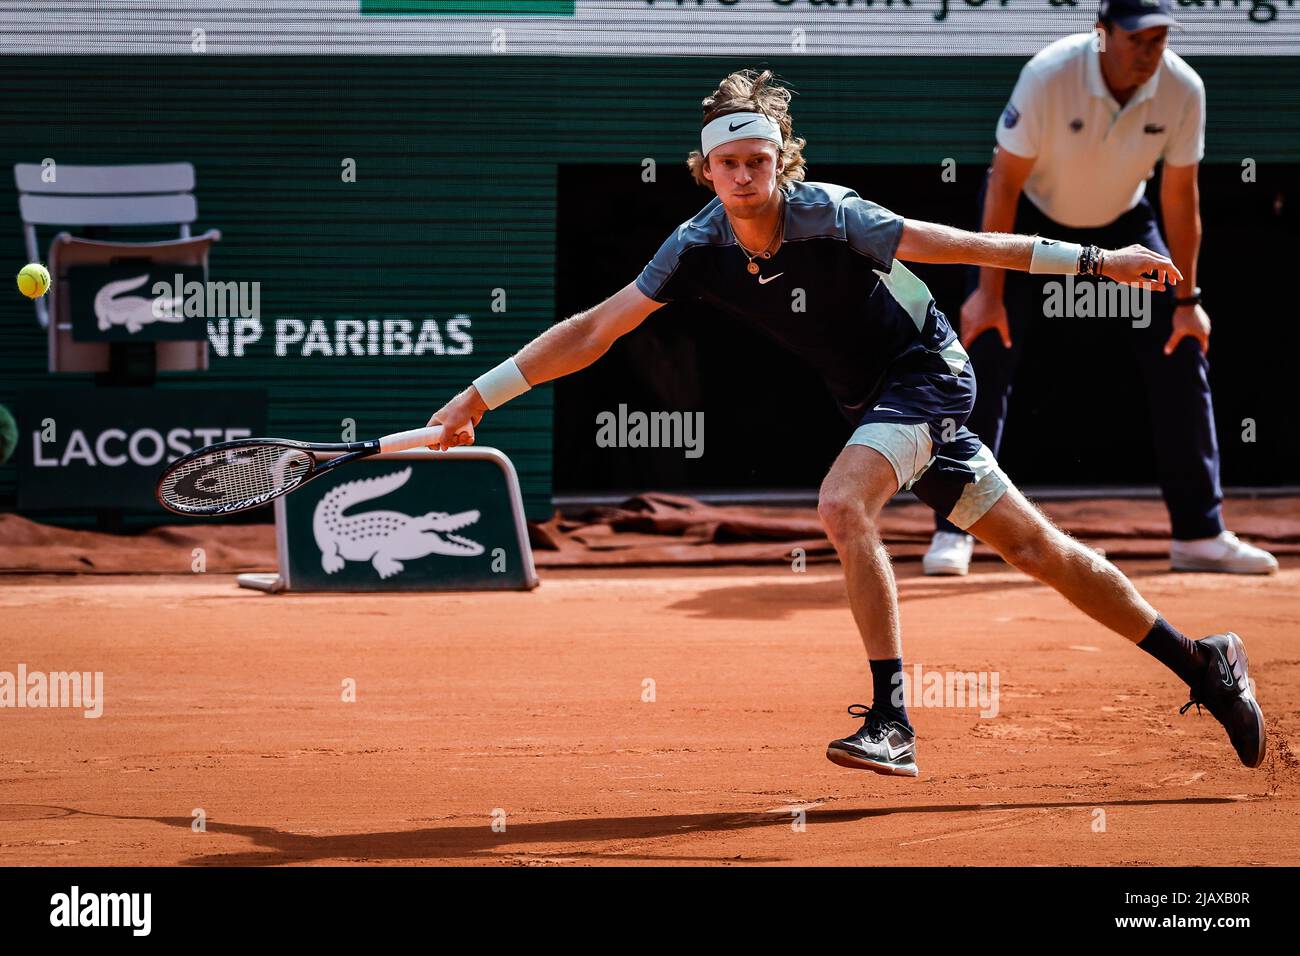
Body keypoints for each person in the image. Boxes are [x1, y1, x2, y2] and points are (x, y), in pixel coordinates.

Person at [425, 69, 1266, 776]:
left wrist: (1098, 260)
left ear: (780, 161)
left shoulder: (834, 215)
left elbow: (974, 244)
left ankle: (893, 720)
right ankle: (1205, 660)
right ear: (707, 172)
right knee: (1039, 551)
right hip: (872, 403)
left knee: (840, 503)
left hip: (928, 377)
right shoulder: (694, 246)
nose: (746, 176)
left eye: (759, 160)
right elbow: (593, 330)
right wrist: (479, 395)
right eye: (729, 164)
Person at [923, 0, 1278, 577]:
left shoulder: (1183, 88)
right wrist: (988, 292)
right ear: (1102, 33)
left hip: (1126, 224)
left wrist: (1188, 303)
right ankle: (955, 529)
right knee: (982, 352)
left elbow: (1179, 197)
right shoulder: (1048, 75)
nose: (1149, 51)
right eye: (1137, 38)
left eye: (1159, 38)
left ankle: (1199, 534)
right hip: (1032, 223)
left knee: (1181, 347)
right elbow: (1004, 183)